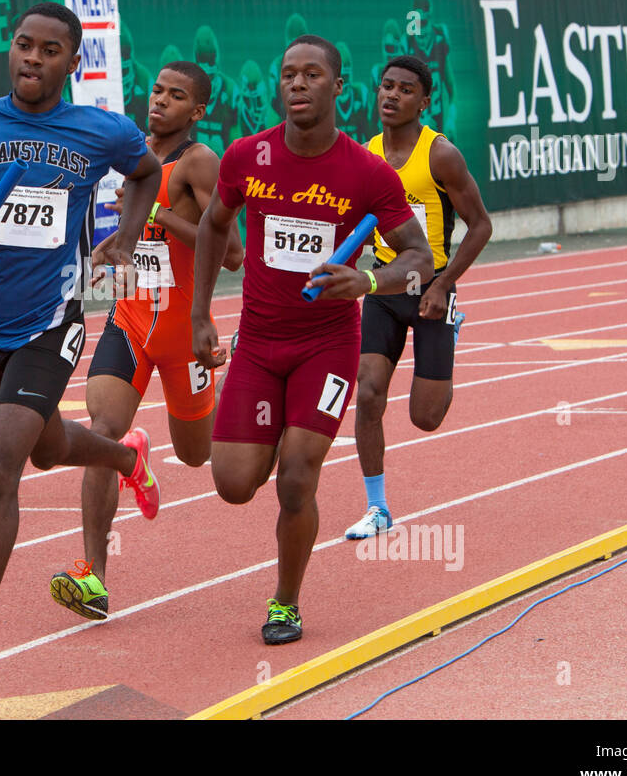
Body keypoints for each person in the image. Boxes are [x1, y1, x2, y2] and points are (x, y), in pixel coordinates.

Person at [0, 2, 163, 700]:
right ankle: (126, 455)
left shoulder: (99, 131)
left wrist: (127, 238)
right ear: (8, 51)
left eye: (50, 51)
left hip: (54, 322)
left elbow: (147, 173)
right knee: (46, 448)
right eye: (23, 46)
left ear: (73, 64)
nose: (32, 60)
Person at [192, 35, 431, 645]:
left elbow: (419, 258)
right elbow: (214, 226)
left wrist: (367, 278)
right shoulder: (247, 157)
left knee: (296, 478)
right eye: (288, 74)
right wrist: (200, 317)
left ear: (337, 87)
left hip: (326, 347)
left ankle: (285, 602)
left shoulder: (366, 171)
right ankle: (272, 430)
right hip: (258, 344)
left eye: (311, 75)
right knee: (234, 484)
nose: (297, 84)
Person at [53, 62, 243, 621]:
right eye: (157, 90)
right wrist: (116, 248)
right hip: (129, 322)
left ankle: (217, 404)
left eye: (176, 95)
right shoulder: (130, 155)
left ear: (198, 111)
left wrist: (159, 213)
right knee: (100, 430)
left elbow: (232, 254)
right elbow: (140, 244)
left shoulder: (199, 162)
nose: (160, 101)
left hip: (184, 336)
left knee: (196, 454)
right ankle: (93, 575)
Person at [346, 55, 491, 540]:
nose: (392, 95)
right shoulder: (365, 154)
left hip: (431, 289)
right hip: (386, 286)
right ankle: (377, 506)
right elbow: (361, 227)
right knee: (367, 392)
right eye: (386, 86)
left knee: (425, 417)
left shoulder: (441, 155)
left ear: (424, 102)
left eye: (405, 90)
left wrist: (444, 286)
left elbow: (482, 225)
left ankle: (452, 321)